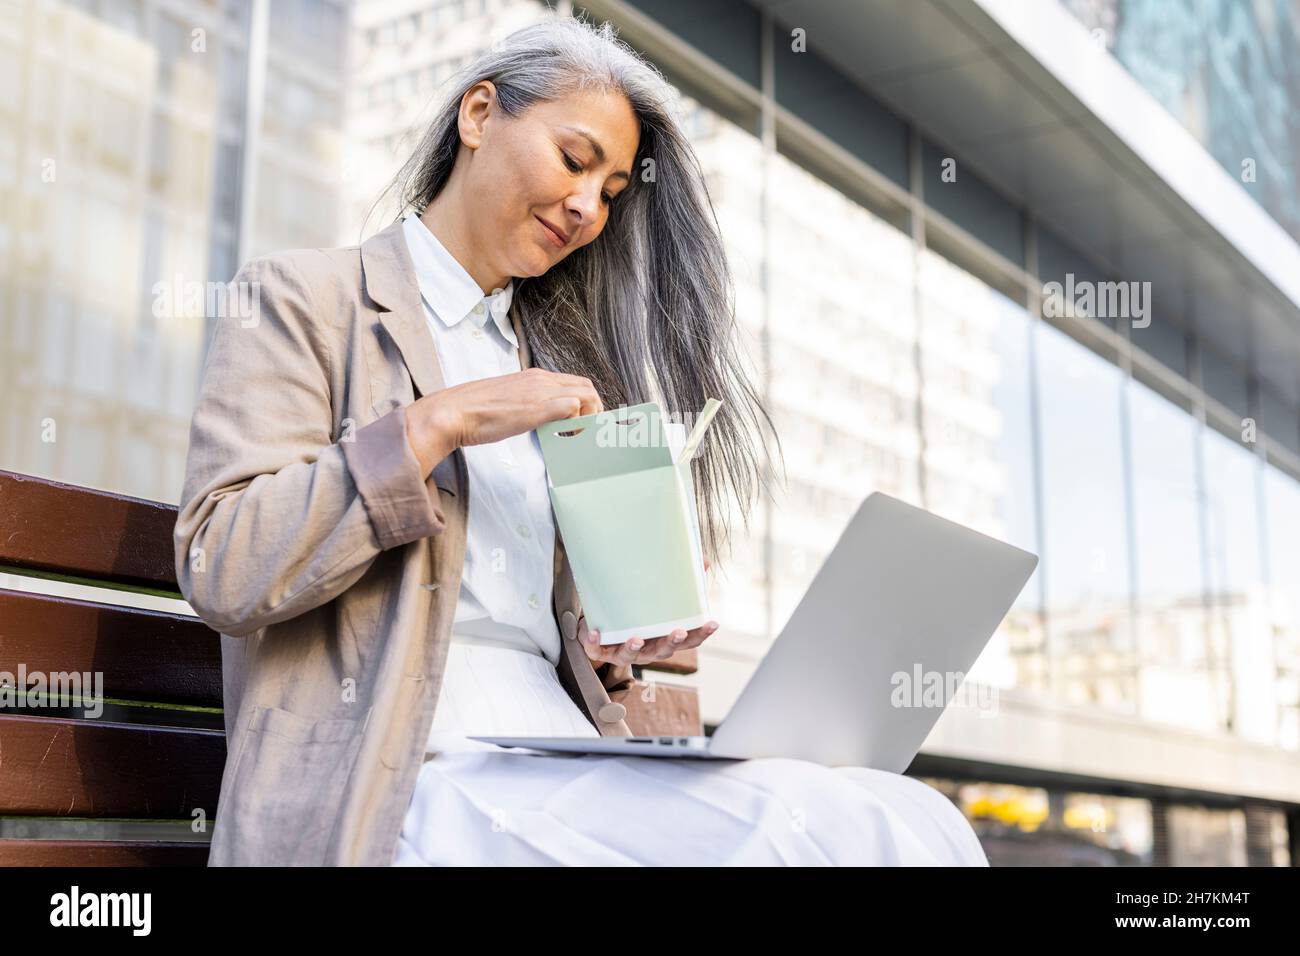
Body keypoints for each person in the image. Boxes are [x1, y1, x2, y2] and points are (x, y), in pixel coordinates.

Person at [175, 13, 988, 866]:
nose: (585, 207)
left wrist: (622, 636)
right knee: (825, 830)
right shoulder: (305, 299)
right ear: (480, 115)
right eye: (574, 160)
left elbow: (533, 617)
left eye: (611, 192)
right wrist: (435, 422)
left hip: (560, 751)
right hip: (405, 777)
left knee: (909, 814)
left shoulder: (556, 364)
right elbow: (226, 564)